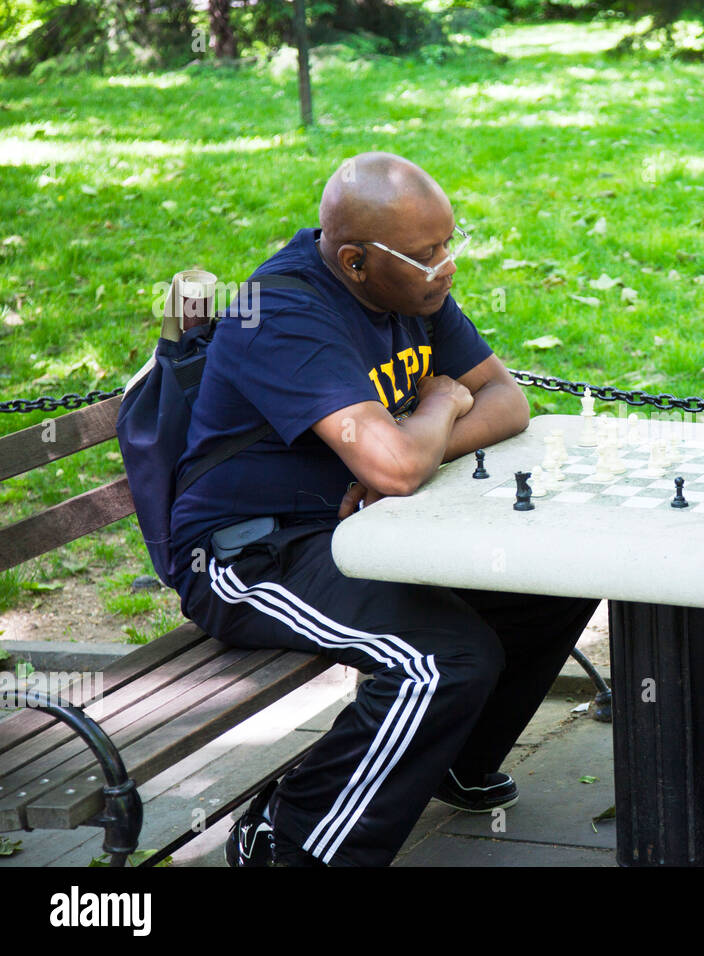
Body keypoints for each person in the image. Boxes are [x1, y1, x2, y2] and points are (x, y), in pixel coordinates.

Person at [169, 152, 599, 866]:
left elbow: (508, 401)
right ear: (355, 260)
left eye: (449, 245)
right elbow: (398, 464)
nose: (448, 266)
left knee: (562, 572)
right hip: (249, 552)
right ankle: (291, 839)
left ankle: (452, 756)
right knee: (441, 660)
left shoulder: (413, 290)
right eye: (429, 254)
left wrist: (414, 446)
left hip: (365, 530)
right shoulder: (279, 312)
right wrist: (433, 406)